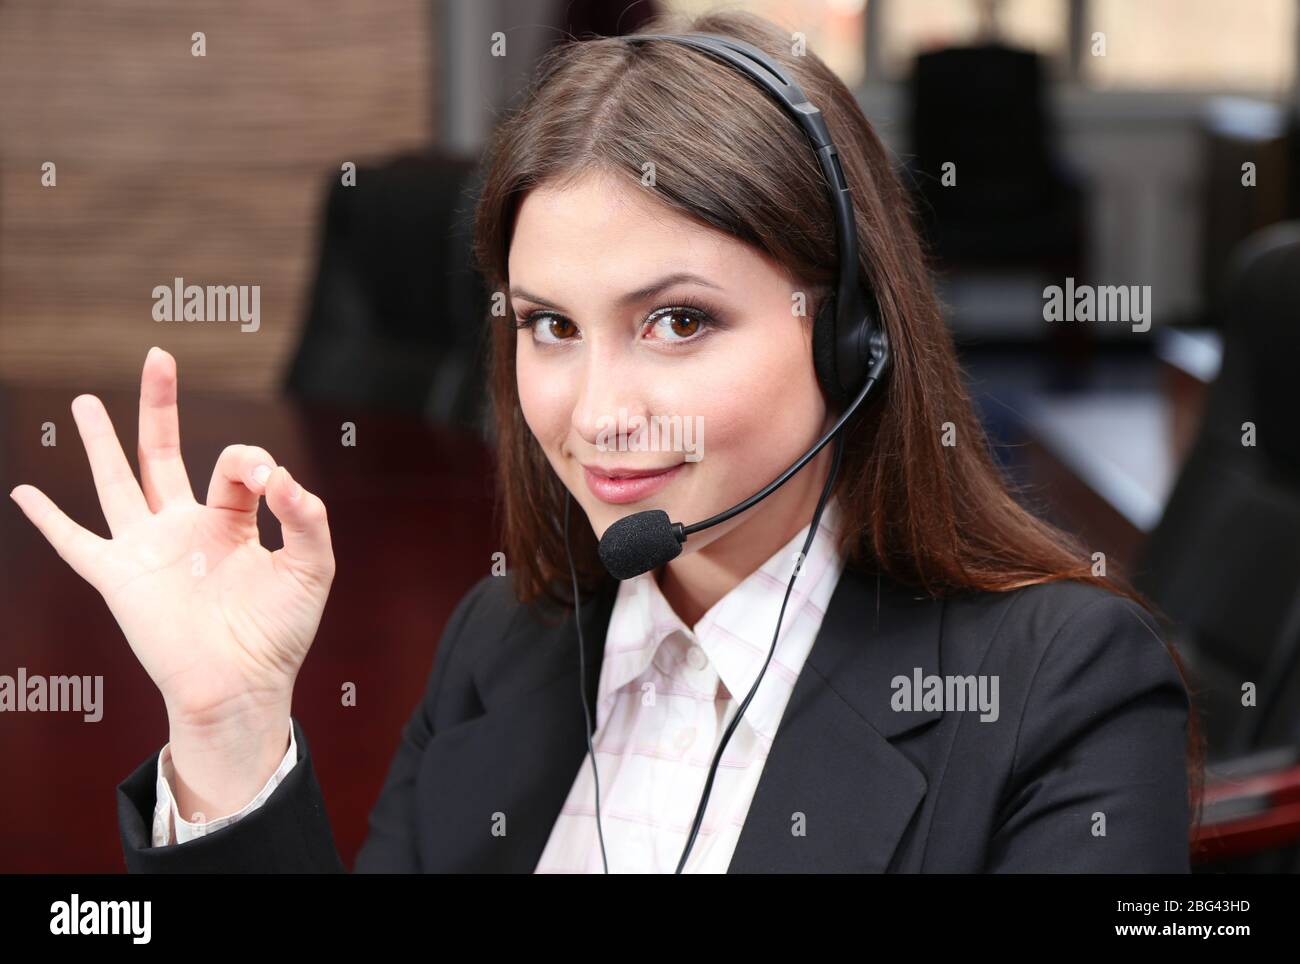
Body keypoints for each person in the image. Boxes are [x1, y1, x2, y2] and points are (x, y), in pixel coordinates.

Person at [9, 9, 1201, 873]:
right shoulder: (508, 640)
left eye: (678, 321)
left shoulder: (1061, 685)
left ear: (850, 336)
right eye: (549, 327)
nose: (597, 410)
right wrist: (226, 732)